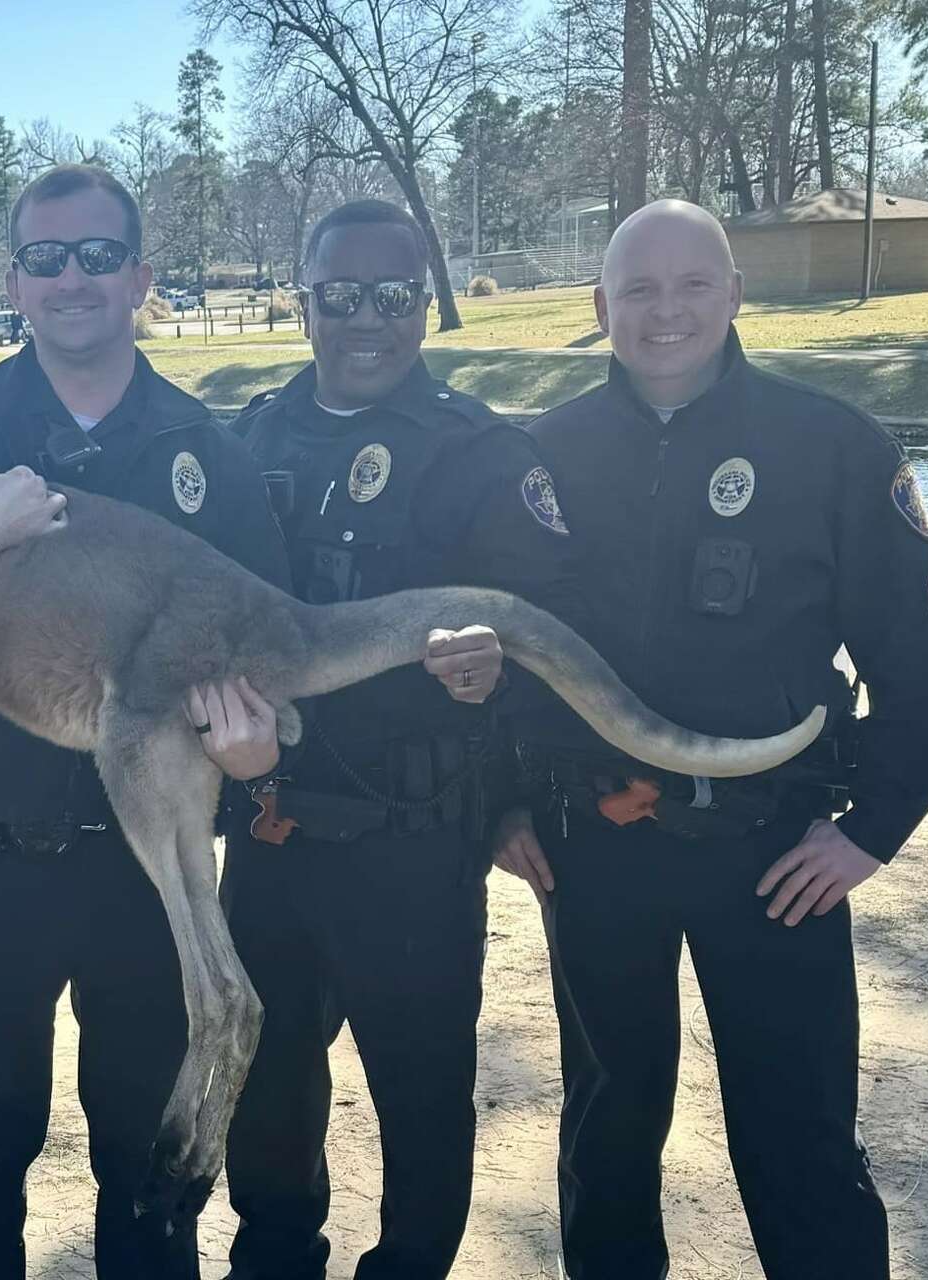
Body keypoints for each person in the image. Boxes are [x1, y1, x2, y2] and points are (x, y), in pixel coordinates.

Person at [496, 199, 928, 1280]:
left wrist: (875, 828)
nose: (668, 311)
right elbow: (507, 649)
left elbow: (918, 657)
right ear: (601, 303)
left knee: (802, 1142)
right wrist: (502, 803)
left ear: (736, 293)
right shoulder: (540, 456)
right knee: (606, 1137)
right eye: (640, 289)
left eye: (694, 283)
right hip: (595, 847)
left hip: (778, 857)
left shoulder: (833, 444)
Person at [0, 163, 287, 1280]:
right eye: (46, 257)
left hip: (145, 877)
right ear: (15, 278)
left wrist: (259, 753)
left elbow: (267, 657)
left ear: (141, 277)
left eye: (98, 255)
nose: (72, 278)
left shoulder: (210, 452)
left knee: (152, 1183)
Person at [211, 198, 582, 1280]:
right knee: (265, 1075)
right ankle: (275, 1257)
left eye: (390, 294)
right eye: (340, 296)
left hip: (417, 838)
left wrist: (499, 675)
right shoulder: (245, 439)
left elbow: (558, 634)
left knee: (420, 1087)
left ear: (420, 303)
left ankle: (412, 1263)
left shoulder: (481, 452)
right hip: (273, 828)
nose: (364, 318)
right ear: (305, 301)